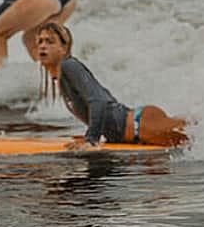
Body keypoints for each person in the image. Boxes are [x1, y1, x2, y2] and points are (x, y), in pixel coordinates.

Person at [34, 22, 190, 147]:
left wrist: (91, 139)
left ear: (64, 48)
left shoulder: (69, 65)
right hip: (134, 128)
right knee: (194, 135)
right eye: (40, 41)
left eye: (50, 41)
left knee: (197, 136)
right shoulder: (62, 75)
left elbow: (99, 101)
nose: (42, 46)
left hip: (140, 125)